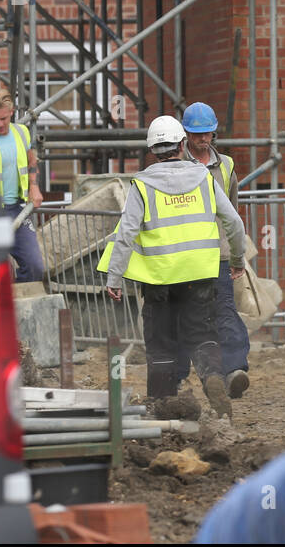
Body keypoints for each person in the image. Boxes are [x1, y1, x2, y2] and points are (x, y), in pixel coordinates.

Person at [97, 115, 247, 420]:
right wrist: (237, 259)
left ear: (152, 150)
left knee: (162, 341)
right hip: (200, 274)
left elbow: (126, 232)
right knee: (203, 333)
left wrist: (114, 276)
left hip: (160, 278)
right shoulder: (204, 178)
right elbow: (233, 221)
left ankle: (162, 405)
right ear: (182, 144)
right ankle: (214, 378)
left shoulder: (141, 185)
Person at [178, 101, 251, 399]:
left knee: (225, 311)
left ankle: (233, 371)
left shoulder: (227, 165)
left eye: (207, 133)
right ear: (186, 135)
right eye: (197, 135)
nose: (203, 139)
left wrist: (236, 254)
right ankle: (210, 375)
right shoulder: (175, 164)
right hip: (186, 254)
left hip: (218, 253)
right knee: (193, 316)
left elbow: (232, 210)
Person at [0, 88, 45, 283]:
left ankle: (19, 307)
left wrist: (34, 187)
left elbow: (31, 162)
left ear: (11, 112)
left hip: (18, 210)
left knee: (34, 267)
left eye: (3, 119)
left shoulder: (21, 132)